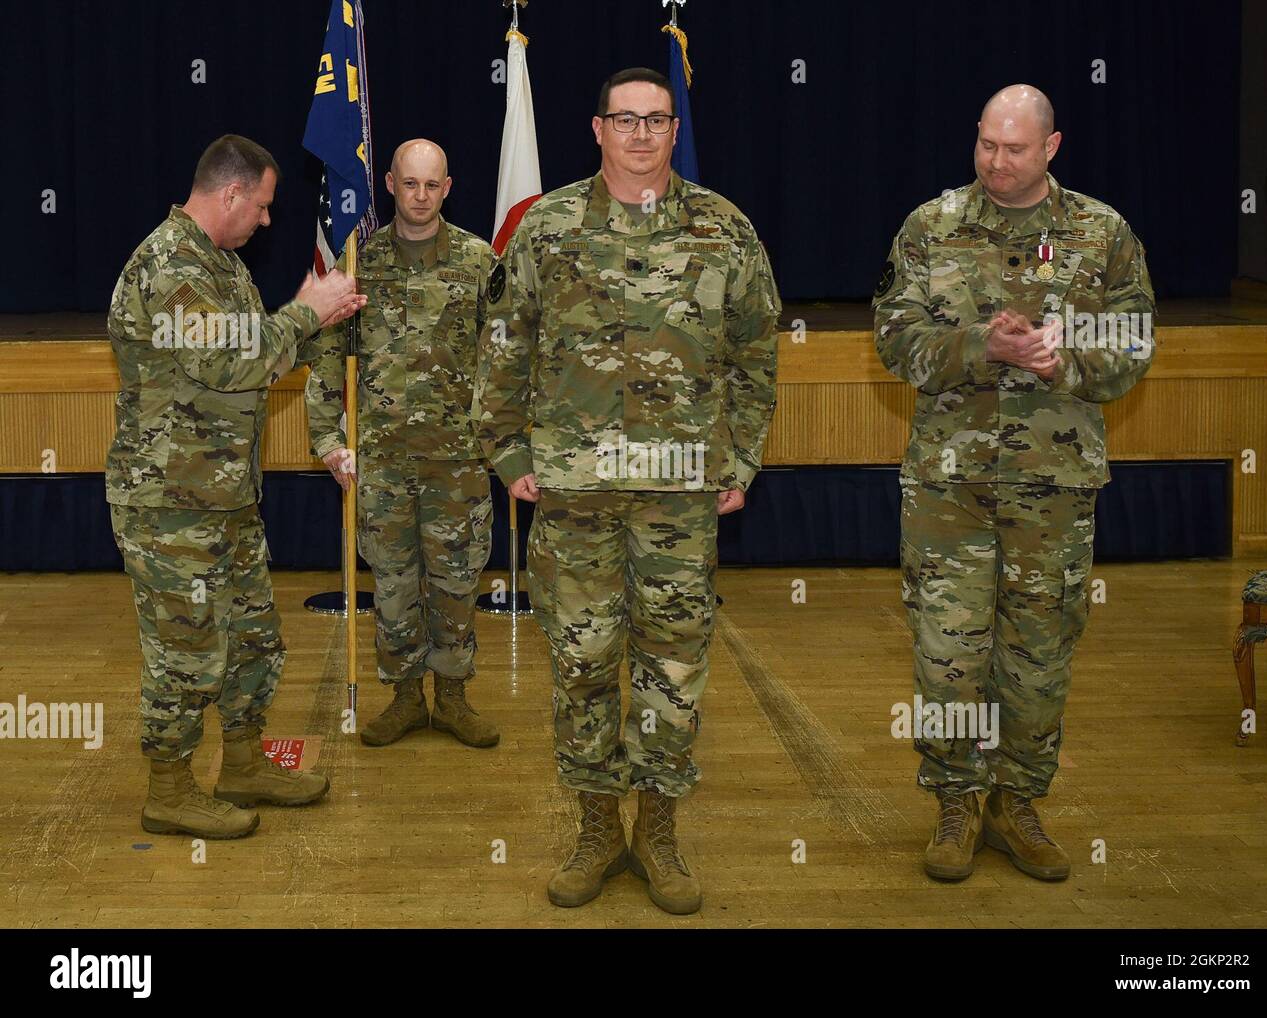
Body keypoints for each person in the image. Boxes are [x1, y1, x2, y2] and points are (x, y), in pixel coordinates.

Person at [477, 68, 781, 914]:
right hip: (575, 493)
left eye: (656, 120)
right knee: (581, 663)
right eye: (626, 119)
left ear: (674, 129)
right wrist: (506, 451)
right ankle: (596, 826)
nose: (641, 133)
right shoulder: (548, 229)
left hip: (681, 498)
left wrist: (743, 460)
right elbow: (502, 342)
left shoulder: (723, 229)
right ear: (598, 128)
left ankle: (658, 829)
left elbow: (758, 353)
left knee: (672, 666)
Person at [873, 85, 1155, 882]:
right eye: (987, 146)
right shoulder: (930, 227)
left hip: (1053, 491)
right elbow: (894, 340)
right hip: (949, 488)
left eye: (1016, 149)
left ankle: (1018, 802)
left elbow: (1134, 342)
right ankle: (957, 802)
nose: (998, 163)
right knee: (948, 656)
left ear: (1051, 148)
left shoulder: (1101, 234)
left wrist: (1062, 359)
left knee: (1038, 657)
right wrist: (979, 346)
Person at [106, 134, 364, 839]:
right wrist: (308, 310)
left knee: (252, 638)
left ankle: (244, 762)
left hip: (224, 499)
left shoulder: (220, 266)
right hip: (169, 505)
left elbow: (260, 353)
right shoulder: (168, 265)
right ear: (229, 195)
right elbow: (228, 363)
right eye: (263, 205)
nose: (268, 220)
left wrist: (328, 319)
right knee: (185, 652)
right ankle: (168, 788)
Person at [307, 139, 499, 750]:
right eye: (408, 184)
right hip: (383, 462)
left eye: (431, 185)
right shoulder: (357, 260)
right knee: (391, 583)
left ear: (448, 187)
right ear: (389, 183)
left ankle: (454, 697)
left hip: (458, 462)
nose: (419, 196)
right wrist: (331, 443)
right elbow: (325, 359)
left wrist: (509, 442)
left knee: (457, 582)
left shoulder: (478, 261)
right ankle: (404, 697)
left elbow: (507, 358)